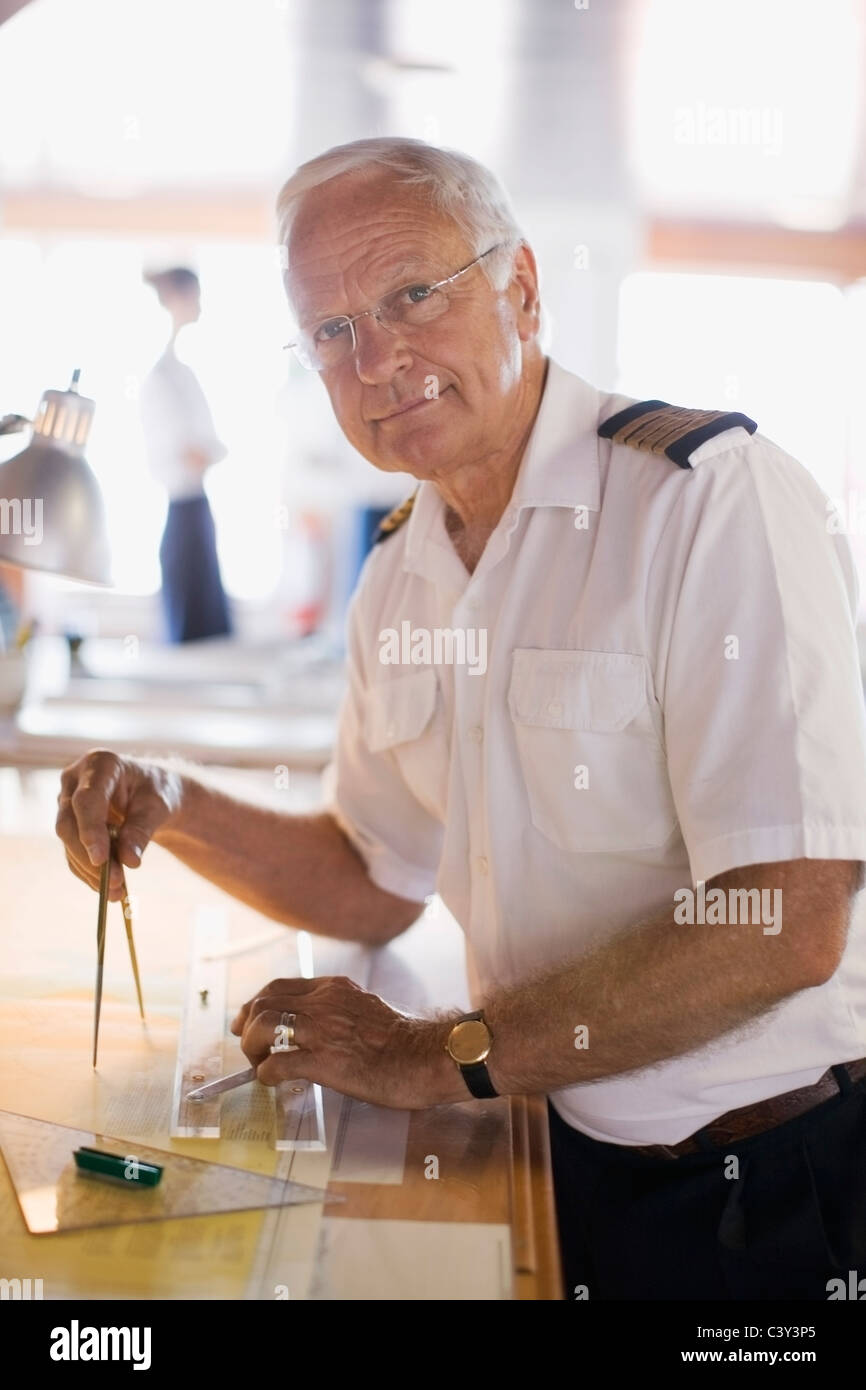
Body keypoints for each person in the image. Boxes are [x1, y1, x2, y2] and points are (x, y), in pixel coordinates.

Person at [57, 138, 866, 1300]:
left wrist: (428, 1051)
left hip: (759, 1189)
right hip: (548, 1149)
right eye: (330, 331)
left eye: (411, 295)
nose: (377, 357)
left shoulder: (704, 500)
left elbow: (783, 923)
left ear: (521, 288)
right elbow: (370, 871)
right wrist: (171, 799)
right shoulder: (399, 575)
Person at [140, 266, 232, 643]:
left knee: (207, 628)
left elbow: (209, 447)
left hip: (196, 506)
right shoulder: (159, 377)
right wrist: (205, 452)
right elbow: (190, 452)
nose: (198, 305)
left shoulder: (183, 371)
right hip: (182, 508)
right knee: (192, 629)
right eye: (193, 296)